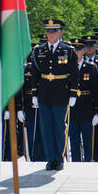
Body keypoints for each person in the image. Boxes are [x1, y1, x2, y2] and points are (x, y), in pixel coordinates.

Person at [28, 19, 76, 170]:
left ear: (60, 33)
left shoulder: (68, 50)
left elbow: (74, 73)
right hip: (44, 94)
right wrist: (34, 94)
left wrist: (73, 93)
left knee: (59, 127)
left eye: (54, 31)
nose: (50, 34)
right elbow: (34, 74)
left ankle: (59, 158)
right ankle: (50, 159)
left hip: (61, 93)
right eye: (48, 31)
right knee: (46, 128)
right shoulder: (39, 50)